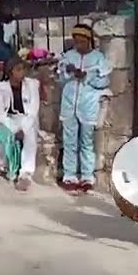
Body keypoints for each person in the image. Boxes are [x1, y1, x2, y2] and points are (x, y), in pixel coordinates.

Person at [57, 23, 110, 193]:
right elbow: (61, 78)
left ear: (89, 41)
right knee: (69, 141)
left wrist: (86, 76)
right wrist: (68, 72)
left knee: (87, 142)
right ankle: (70, 175)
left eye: (81, 42)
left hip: (88, 105)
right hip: (69, 103)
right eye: (76, 42)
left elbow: (104, 81)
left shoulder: (98, 59)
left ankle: (87, 176)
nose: (78, 45)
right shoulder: (67, 57)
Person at [0, 56, 41, 191]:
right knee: (4, 134)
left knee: (29, 133)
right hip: (8, 118)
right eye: (18, 70)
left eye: (23, 69)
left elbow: (33, 110)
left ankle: (26, 173)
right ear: (10, 72)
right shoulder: (0, 87)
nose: (22, 73)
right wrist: (13, 128)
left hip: (26, 118)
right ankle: (7, 167)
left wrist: (22, 127)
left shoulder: (32, 84)